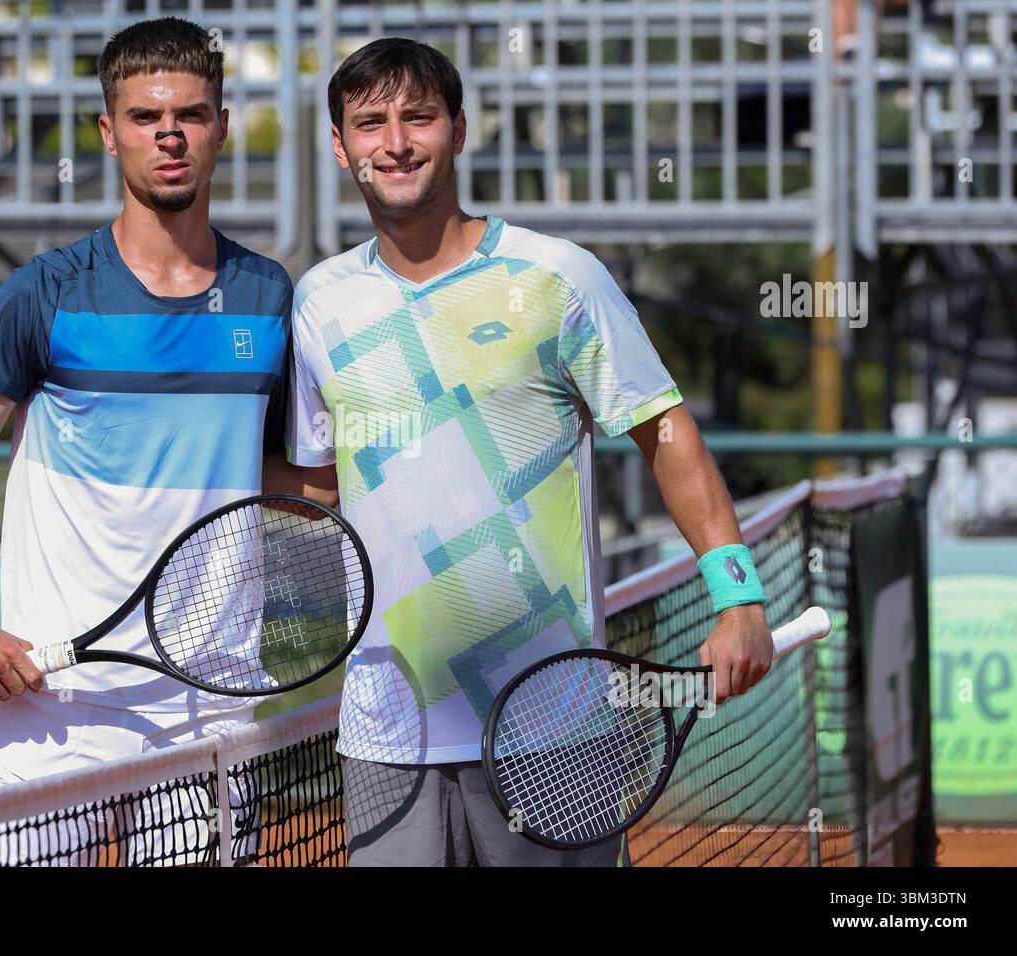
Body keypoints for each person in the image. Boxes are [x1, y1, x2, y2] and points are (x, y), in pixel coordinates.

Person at [283, 38, 774, 866]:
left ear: (460, 129)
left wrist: (739, 596)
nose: (395, 143)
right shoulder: (318, 302)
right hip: (383, 730)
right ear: (340, 146)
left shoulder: (558, 276)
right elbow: (315, 485)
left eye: (419, 118)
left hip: (553, 725)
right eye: (370, 123)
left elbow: (664, 430)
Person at [0, 16, 334, 864]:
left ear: (218, 127)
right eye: (145, 117)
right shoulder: (47, 292)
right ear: (110, 134)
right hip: (53, 708)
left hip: (208, 709)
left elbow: (278, 472)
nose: (169, 134)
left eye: (190, 113)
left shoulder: (268, 294)